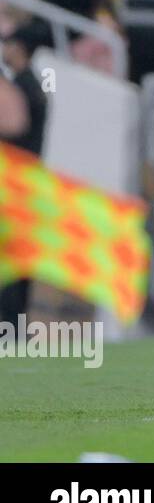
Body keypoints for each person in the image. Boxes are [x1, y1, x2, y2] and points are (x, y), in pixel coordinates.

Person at [0, 21, 53, 325]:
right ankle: (14, 324)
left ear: (19, 48)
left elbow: (14, 130)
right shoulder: (35, 85)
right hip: (29, 181)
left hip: (16, 183)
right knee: (20, 257)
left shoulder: (20, 88)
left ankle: (9, 324)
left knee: (11, 256)